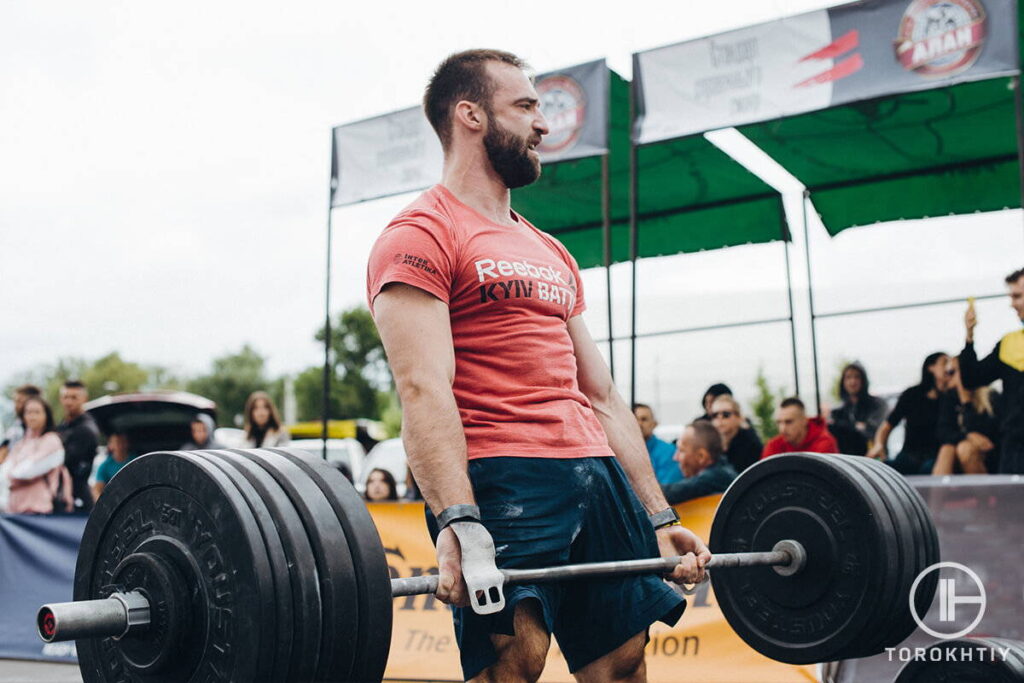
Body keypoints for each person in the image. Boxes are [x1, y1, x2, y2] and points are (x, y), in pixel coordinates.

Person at [367, 49, 708, 682]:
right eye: (525, 106)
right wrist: (459, 521)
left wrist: (658, 516)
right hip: (503, 471)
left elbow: (601, 395)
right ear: (470, 114)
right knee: (512, 664)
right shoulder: (419, 234)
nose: (541, 124)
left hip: (595, 468)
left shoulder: (547, 247)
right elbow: (422, 390)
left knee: (622, 663)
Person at [960, 269, 1024, 473]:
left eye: (1017, 296)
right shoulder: (1009, 343)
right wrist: (969, 335)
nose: (1012, 304)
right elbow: (972, 378)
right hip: (1015, 447)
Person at [868, 352, 950, 474]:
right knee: (883, 471)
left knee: (928, 470)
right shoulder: (912, 395)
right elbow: (887, 426)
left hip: (936, 458)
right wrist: (879, 445)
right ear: (930, 367)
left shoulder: (951, 398)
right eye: (944, 362)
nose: (949, 367)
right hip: (908, 456)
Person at [932, 357, 999, 475]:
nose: (948, 377)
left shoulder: (989, 396)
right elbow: (943, 431)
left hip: (988, 453)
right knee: (947, 449)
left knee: (965, 449)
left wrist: (966, 402)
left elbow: (987, 435)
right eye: (947, 372)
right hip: (959, 451)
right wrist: (967, 436)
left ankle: (983, 493)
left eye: (953, 372)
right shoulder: (950, 398)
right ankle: (937, 493)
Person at [7, 396, 73, 514]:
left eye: (37, 412)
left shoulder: (51, 440)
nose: (32, 416)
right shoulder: (20, 443)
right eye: (28, 412)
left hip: (40, 512)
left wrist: (10, 477)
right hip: (15, 513)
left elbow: (27, 472)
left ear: (46, 415)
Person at [662, 420, 738, 504]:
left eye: (681, 450)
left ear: (701, 456)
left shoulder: (714, 477)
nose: (675, 457)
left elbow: (667, 494)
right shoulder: (722, 471)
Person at [57, 380, 99, 512]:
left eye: (74, 397)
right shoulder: (61, 426)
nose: (69, 402)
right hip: (60, 493)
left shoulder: (86, 429)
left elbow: (66, 462)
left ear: (84, 399)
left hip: (77, 497)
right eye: (66, 397)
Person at [829, 362, 888, 456]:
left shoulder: (877, 404)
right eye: (848, 377)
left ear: (863, 380)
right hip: (847, 459)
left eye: (857, 377)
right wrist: (857, 426)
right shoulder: (839, 411)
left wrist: (847, 426)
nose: (852, 381)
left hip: (872, 457)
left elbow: (873, 431)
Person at [762, 397, 839, 458]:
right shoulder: (773, 446)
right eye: (779, 422)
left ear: (804, 420)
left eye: (789, 422)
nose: (782, 429)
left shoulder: (824, 443)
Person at [633, 403, 682, 485]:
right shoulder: (621, 452)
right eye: (634, 419)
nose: (639, 424)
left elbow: (668, 490)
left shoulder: (669, 452)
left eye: (644, 419)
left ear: (654, 424)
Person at [1, 384, 43, 460]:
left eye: (20, 401)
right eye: (15, 401)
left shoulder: (43, 432)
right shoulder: (15, 426)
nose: (16, 405)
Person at [92, 432, 136, 499]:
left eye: (123, 442)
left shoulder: (136, 461)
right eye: (117, 442)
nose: (120, 445)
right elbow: (97, 490)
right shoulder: (104, 466)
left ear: (127, 443)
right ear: (110, 445)